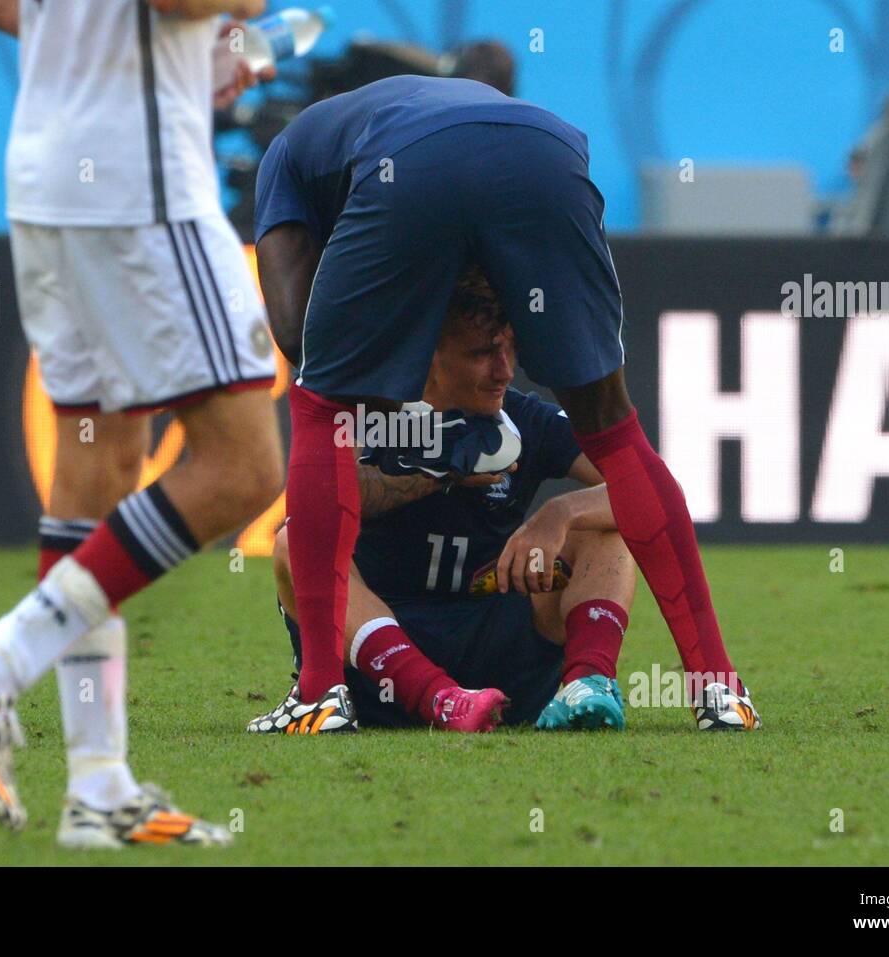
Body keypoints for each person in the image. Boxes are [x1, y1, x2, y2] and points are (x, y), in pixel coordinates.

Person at [251, 74, 762, 735]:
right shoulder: (451, 115)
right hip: (550, 154)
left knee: (319, 402)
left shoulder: (288, 158)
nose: (498, 364)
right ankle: (719, 689)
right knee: (614, 427)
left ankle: (319, 693)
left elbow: (295, 337)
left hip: (410, 167)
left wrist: (376, 353)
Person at [0, 0, 279, 849]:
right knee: (245, 468)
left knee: (99, 466)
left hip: (52, 176)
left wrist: (167, 57)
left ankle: (98, 784)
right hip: (138, 189)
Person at [257, 269, 636, 733]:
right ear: (427, 352)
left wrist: (560, 514)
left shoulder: (525, 419)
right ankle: (438, 699)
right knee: (295, 540)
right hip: (376, 665)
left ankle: (588, 682)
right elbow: (315, 500)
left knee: (607, 529)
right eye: (482, 354)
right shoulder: (373, 412)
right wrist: (434, 472)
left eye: (509, 348)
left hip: (496, 651)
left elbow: (654, 493)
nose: (504, 370)